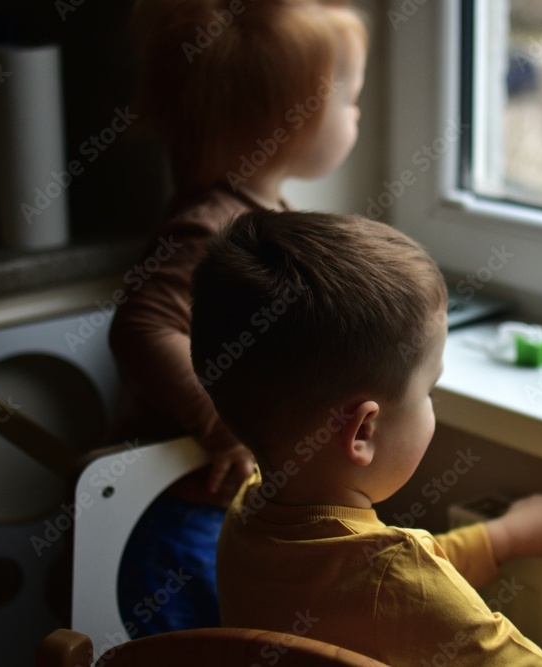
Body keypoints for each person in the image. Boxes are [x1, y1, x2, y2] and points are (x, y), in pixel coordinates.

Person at [190, 209, 542, 665]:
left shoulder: (246, 514)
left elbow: (378, 591)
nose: (433, 405)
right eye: (428, 390)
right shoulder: (393, 573)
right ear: (363, 431)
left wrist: (499, 539)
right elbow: (397, 586)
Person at [108, 0, 368, 635]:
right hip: (181, 507)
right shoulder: (208, 228)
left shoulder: (259, 212)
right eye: (349, 99)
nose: (357, 114)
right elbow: (140, 326)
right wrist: (224, 427)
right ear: (290, 123)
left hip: (221, 508)